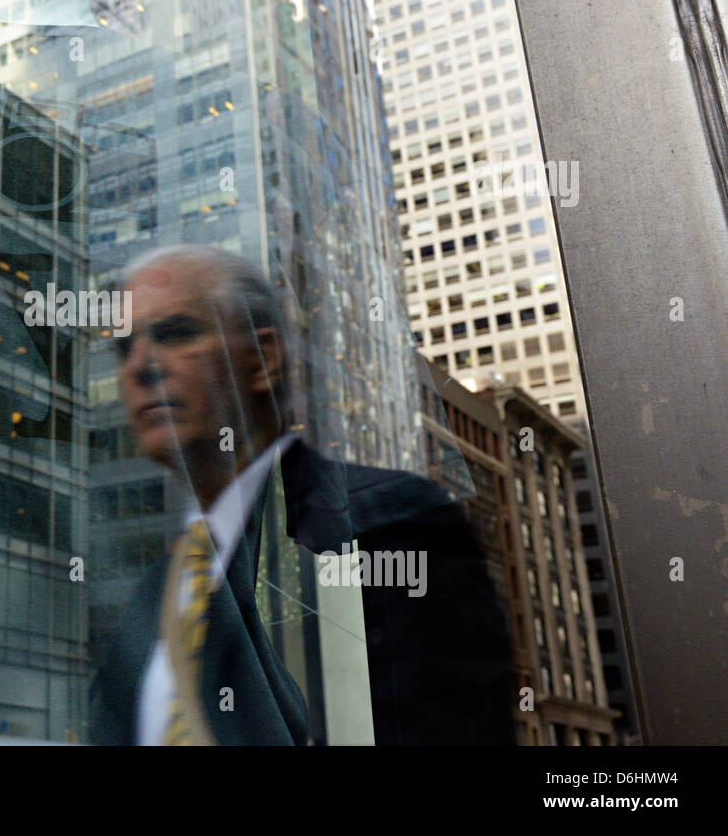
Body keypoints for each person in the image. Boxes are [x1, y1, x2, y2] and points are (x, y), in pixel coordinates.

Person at [87, 245, 513, 745]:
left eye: (175, 333)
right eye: (123, 347)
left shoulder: (388, 518)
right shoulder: (158, 590)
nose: (140, 367)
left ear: (262, 359)